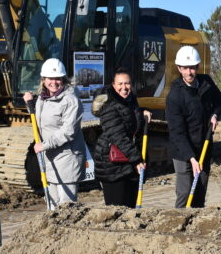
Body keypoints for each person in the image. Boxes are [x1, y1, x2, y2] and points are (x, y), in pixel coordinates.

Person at [23, 58, 86, 210]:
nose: (54, 82)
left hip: (67, 158)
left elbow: (68, 132)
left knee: (66, 207)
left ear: (63, 79)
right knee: (51, 206)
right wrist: (29, 105)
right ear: (43, 80)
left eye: (58, 78)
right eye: (50, 78)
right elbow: (39, 121)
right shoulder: (42, 99)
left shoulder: (71, 100)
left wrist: (44, 145)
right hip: (50, 158)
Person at [166, 45, 221, 208]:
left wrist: (215, 115)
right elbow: (177, 133)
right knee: (185, 191)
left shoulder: (206, 82)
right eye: (185, 68)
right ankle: (179, 221)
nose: (189, 72)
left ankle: (197, 223)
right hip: (183, 151)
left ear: (197, 67)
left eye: (192, 68)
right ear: (179, 68)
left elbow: (219, 101)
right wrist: (191, 158)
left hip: (204, 144)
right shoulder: (175, 96)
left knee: (200, 188)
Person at [92, 68, 152, 207]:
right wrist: (137, 160)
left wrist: (142, 111)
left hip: (128, 163)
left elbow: (129, 118)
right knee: (117, 209)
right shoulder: (108, 105)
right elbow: (118, 136)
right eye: (120, 84)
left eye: (127, 83)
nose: (124, 88)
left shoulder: (130, 100)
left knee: (131, 208)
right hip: (113, 166)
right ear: (113, 85)